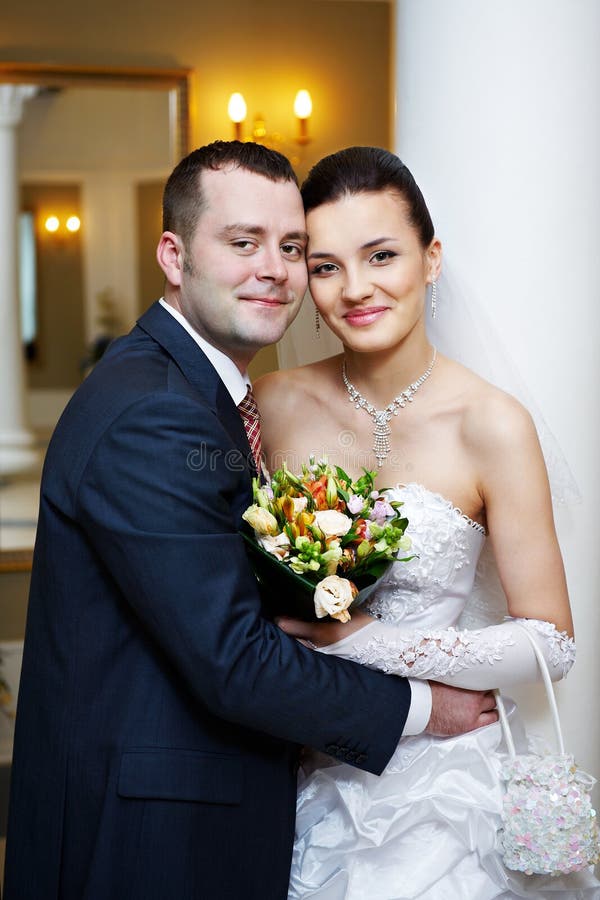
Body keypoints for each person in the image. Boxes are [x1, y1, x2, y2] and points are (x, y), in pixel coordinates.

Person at [2, 142, 495, 900]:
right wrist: (431, 707)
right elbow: (233, 658)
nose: (274, 269)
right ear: (174, 255)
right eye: (243, 243)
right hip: (148, 838)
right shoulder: (156, 412)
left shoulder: (212, 395)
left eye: (292, 247)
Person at [255, 146, 600, 898]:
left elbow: (552, 643)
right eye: (326, 266)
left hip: (445, 792)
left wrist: (367, 642)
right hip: (299, 770)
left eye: (382, 255)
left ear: (431, 258)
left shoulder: (492, 423)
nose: (357, 289)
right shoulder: (270, 403)